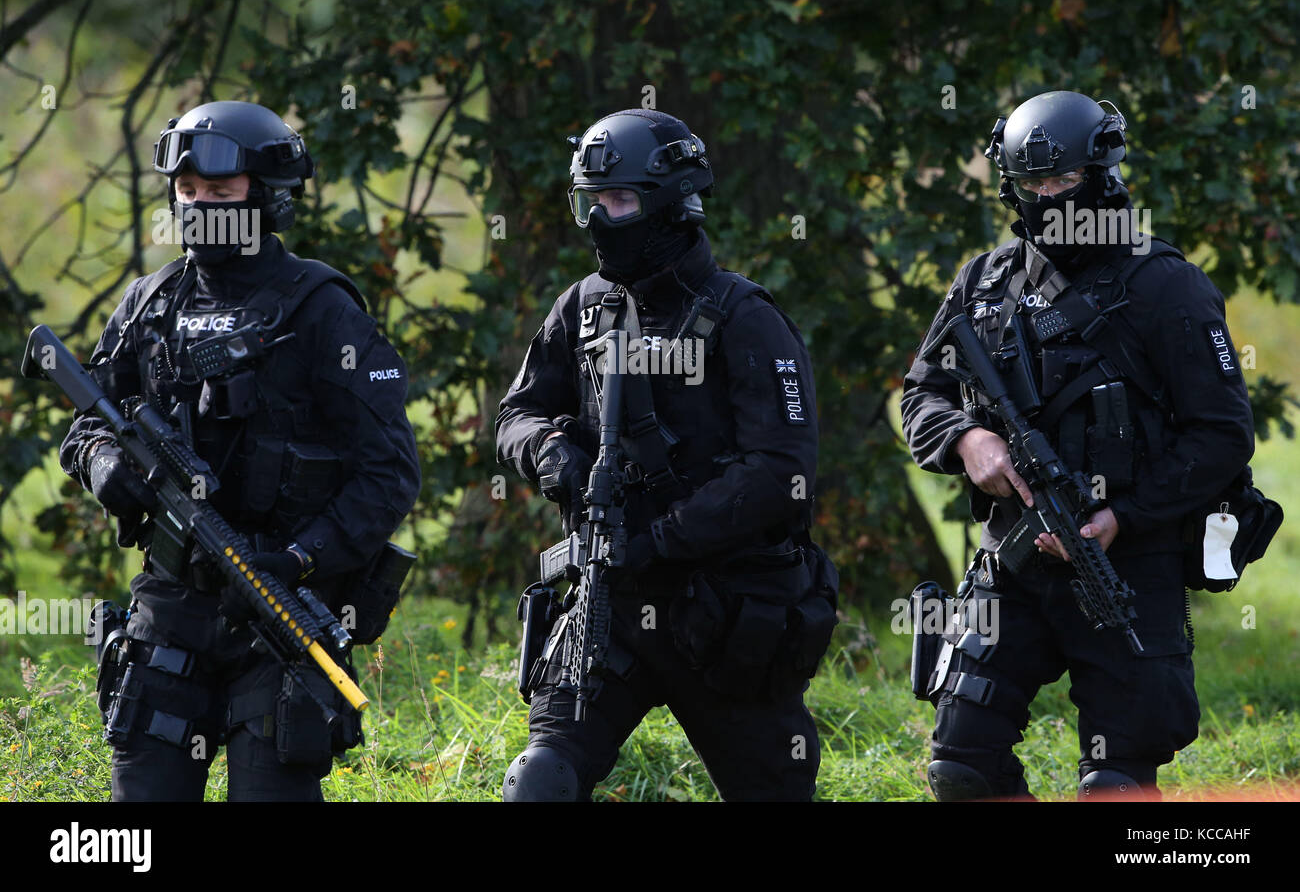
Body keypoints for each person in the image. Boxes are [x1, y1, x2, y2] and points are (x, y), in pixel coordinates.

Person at [60, 100, 421, 801]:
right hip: (171, 609)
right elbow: (88, 421)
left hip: (279, 610)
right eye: (186, 193)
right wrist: (103, 463)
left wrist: (298, 558)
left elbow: (389, 474)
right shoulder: (148, 305)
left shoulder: (322, 308)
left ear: (268, 196)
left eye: (219, 194)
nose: (198, 208)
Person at [900, 90, 1256, 801]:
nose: (1047, 197)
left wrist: (1123, 516)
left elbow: (1223, 436)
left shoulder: (1166, 287)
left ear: (1104, 175)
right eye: (1031, 185)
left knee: (1115, 782)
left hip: (1128, 564)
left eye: (1062, 182)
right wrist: (968, 438)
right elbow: (921, 394)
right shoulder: (986, 281)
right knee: (961, 768)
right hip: (1012, 563)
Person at [496, 108, 837, 802]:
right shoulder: (582, 309)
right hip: (606, 606)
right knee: (540, 781)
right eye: (589, 202)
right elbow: (515, 414)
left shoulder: (745, 317)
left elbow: (781, 471)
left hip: (723, 612)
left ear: (671, 203)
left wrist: (659, 540)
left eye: (617, 201)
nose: (599, 219)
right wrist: (549, 452)